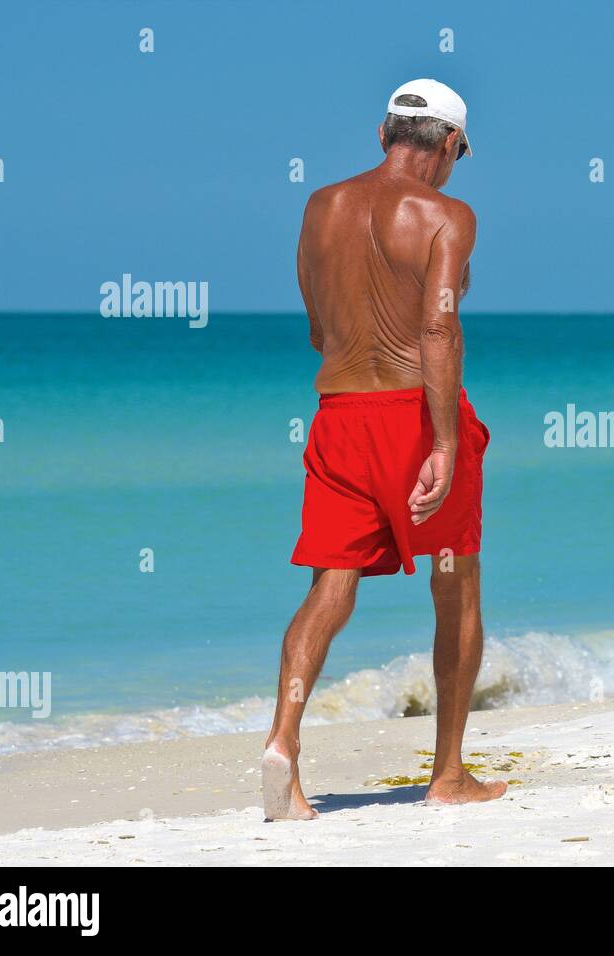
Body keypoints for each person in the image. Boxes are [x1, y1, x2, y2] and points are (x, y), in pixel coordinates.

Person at [261, 79, 504, 820]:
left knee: (331, 585)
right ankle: (448, 773)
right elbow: (438, 327)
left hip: (339, 414)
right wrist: (444, 441)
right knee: (454, 579)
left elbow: (318, 327)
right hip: (416, 414)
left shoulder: (320, 207)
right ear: (452, 145)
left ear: (383, 134)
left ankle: (282, 744)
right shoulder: (448, 217)